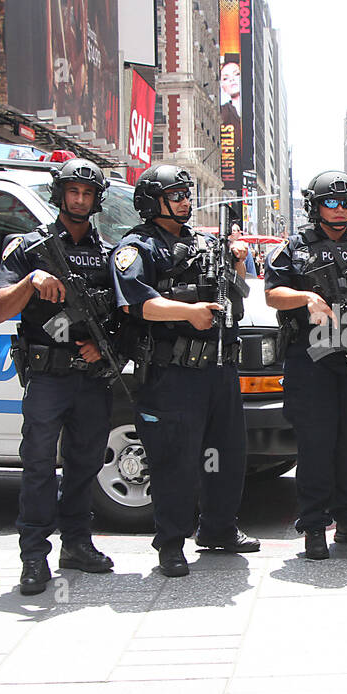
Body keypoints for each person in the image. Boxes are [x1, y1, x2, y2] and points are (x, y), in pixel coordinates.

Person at [110, 165, 256, 577]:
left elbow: (235, 297)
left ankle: (219, 529)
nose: (185, 202)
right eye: (175, 195)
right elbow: (135, 303)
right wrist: (189, 313)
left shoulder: (206, 244)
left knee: (226, 454)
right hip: (172, 373)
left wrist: (239, 262)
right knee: (174, 461)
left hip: (219, 369)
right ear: (152, 201)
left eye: (186, 194)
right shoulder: (137, 247)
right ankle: (171, 543)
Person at [0, 159, 119, 595]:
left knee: (85, 464)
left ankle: (77, 544)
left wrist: (105, 348)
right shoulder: (29, 247)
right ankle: (33, 556)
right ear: (59, 194)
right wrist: (31, 280)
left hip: (92, 376)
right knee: (39, 466)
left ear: (95, 199)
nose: (79, 199)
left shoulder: (109, 253)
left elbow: (126, 316)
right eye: (72, 191)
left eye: (87, 193)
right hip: (48, 377)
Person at [264, 171, 347, 559]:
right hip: (311, 360)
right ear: (315, 205)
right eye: (330, 202)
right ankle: (312, 526)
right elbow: (273, 294)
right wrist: (306, 297)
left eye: (345, 203)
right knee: (315, 445)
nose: (338, 210)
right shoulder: (294, 248)